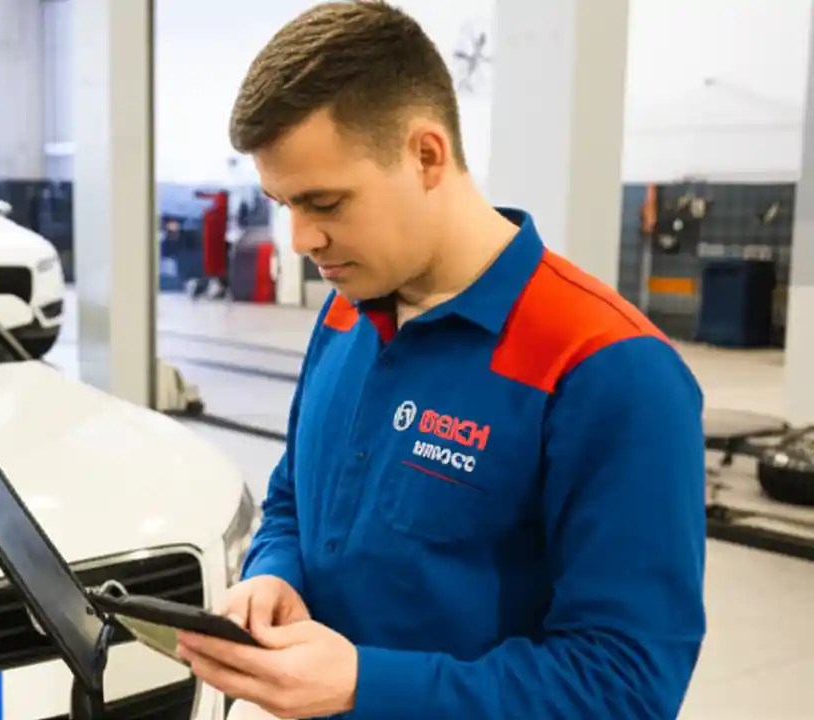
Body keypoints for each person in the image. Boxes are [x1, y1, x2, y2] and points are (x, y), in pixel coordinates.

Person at [174, 2, 707, 719]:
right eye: (281, 204)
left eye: (324, 202)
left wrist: (366, 683)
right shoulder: (344, 315)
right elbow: (292, 503)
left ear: (426, 156)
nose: (300, 240)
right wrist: (276, 576)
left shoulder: (607, 369)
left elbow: (626, 686)